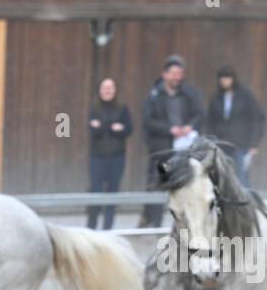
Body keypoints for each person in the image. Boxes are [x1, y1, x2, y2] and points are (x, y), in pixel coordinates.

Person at [142, 54, 203, 226]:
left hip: (184, 148)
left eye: (180, 73)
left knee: (187, 185)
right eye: (174, 73)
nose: (177, 77)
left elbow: (199, 114)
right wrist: (169, 130)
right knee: (157, 185)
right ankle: (154, 223)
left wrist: (190, 126)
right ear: (165, 74)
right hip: (161, 149)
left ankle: (186, 223)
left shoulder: (190, 94)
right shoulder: (155, 96)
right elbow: (148, 121)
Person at [203, 64, 266, 186]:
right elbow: (210, 121)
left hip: (241, 144)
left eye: (227, 77)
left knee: (241, 177)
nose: (225, 81)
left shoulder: (245, 96)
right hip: (221, 144)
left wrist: (254, 144)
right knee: (221, 176)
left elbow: (257, 118)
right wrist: (210, 139)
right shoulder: (216, 98)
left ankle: (245, 203)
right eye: (222, 78)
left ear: (233, 79)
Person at [86, 77, 132, 229]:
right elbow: (92, 129)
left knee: (112, 193)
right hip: (97, 157)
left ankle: (108, 228)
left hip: (117, 156)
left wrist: (106, 127)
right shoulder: (94, 108)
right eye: (105, 88)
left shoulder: (122, 108)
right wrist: (111, 128)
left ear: (115, 90)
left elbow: (129, 129)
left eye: (110, 88)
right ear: (100, 91)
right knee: (96, 192)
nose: (107, 91)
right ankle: (91, 227)